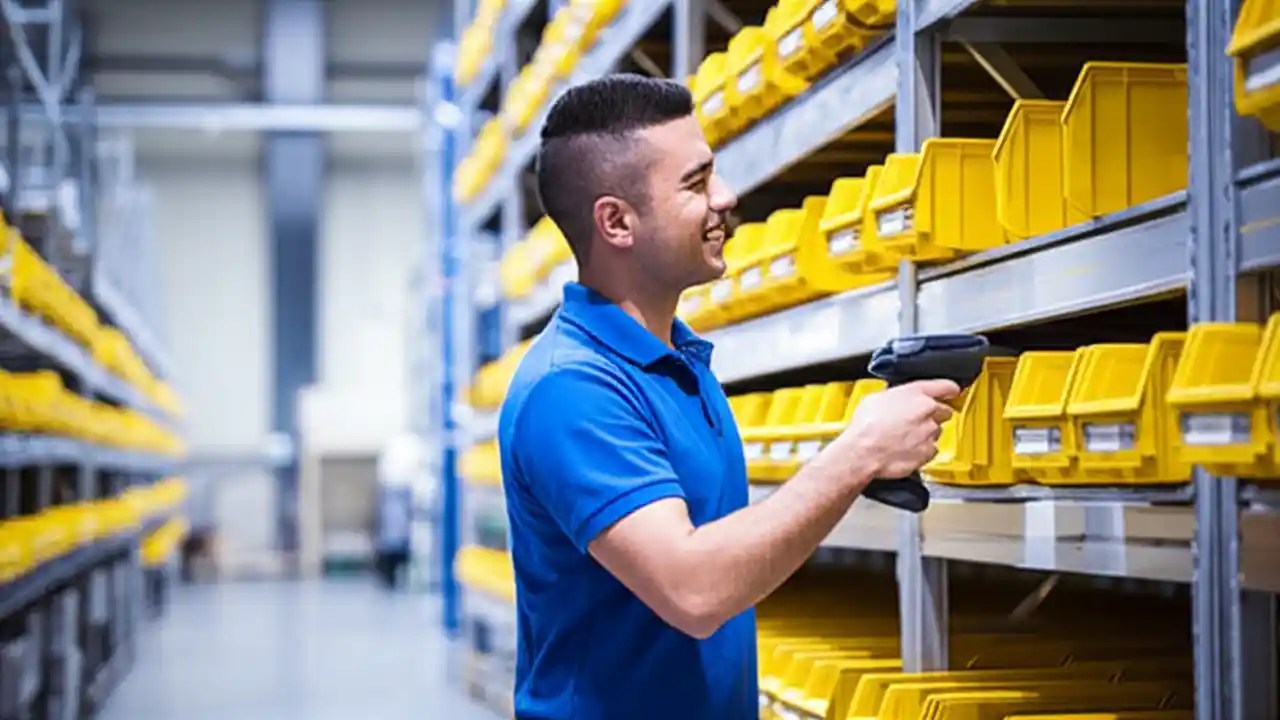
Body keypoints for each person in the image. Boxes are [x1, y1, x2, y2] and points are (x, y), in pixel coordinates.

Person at [496, 74, 957, 720]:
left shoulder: (677, 358)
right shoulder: (570, 389)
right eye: (696, 182)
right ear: (617, 222)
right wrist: (860, 452)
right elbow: (693, 588)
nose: (726, 197)